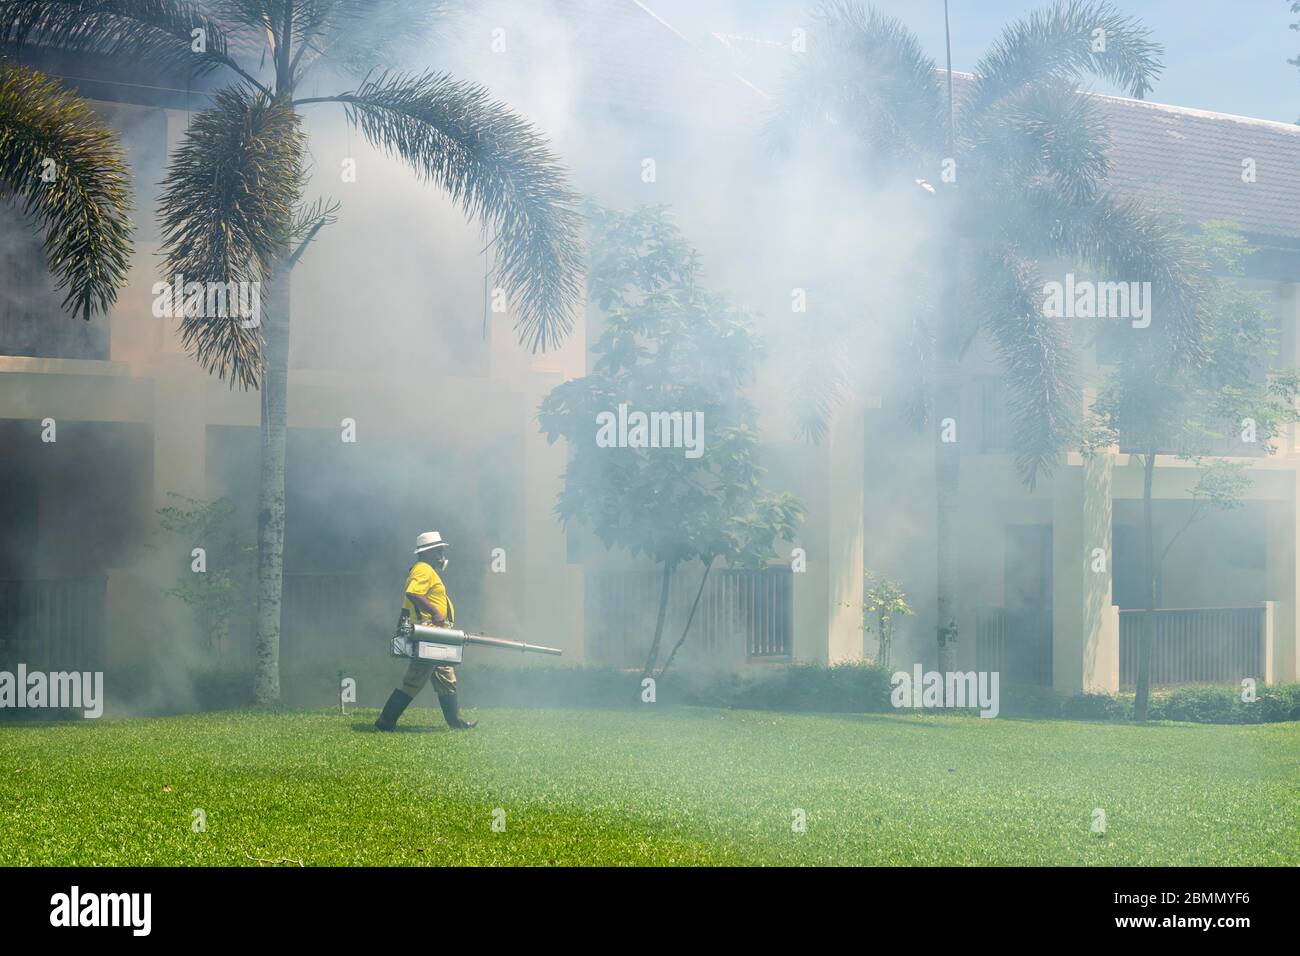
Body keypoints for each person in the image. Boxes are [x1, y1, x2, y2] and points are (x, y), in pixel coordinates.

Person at [375, 531, 478, 731]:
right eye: (438, 550)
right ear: (427, 552)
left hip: (435, 633)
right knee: (414, 679)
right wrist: (435, 613)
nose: (442, 554)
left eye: (442, 550)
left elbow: (407, 604)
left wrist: (402, 626)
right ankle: (385, 721)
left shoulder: (424, 571)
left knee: (446, 676)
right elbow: (412, 593)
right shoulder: (423, 569)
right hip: (430, 632)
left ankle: (456, 722)